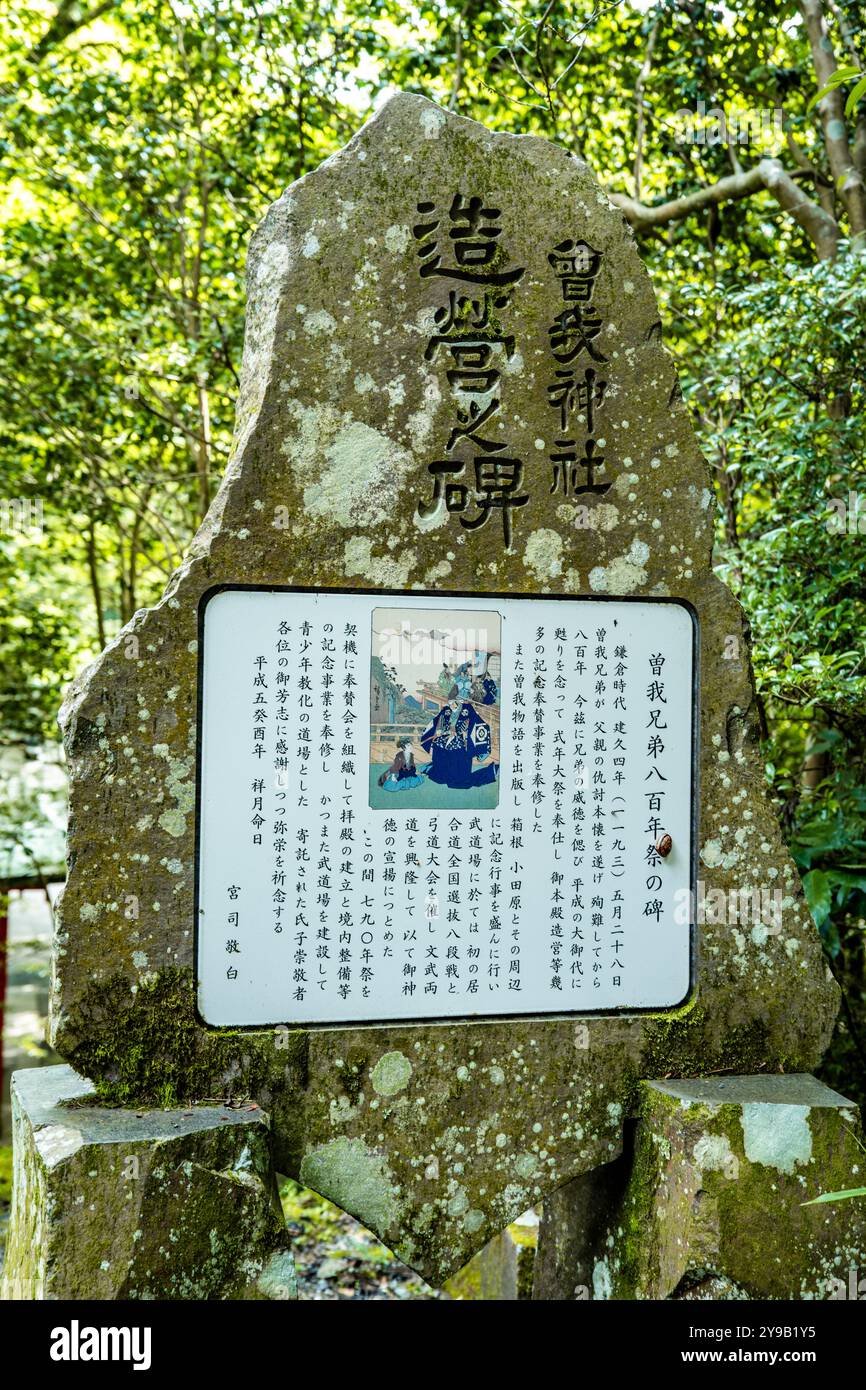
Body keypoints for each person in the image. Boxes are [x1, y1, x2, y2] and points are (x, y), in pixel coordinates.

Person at [419, 698, 498, 789]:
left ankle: (490, 773)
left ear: (459, 701)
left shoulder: (468, 709)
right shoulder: (446, 710)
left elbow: (479, 723)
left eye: (453, 702)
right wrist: (439, 731)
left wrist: (466, 734)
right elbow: (437, 721)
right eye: (450, 703)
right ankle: (433, 769)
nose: (451, 705)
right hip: (444, 741)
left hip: (460, 743)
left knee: (459, 782)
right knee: (441, 778)